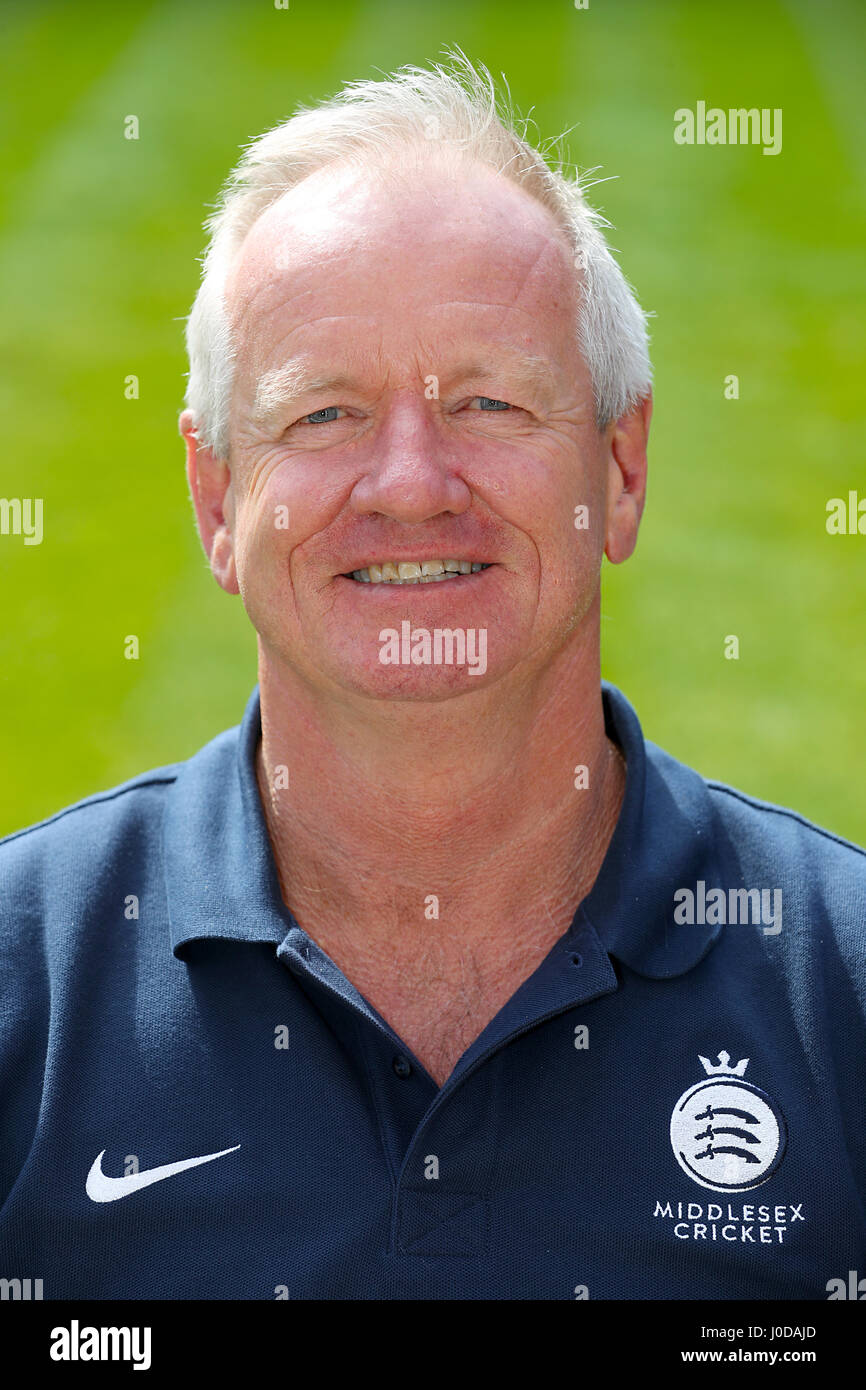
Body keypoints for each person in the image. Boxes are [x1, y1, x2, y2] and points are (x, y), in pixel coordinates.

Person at [1, 52, 863, 1302]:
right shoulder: (27, 977)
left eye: (488, 402)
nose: (410, 483)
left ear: (618, 468)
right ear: (213, 496)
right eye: (323, 416)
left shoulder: (834, 982)